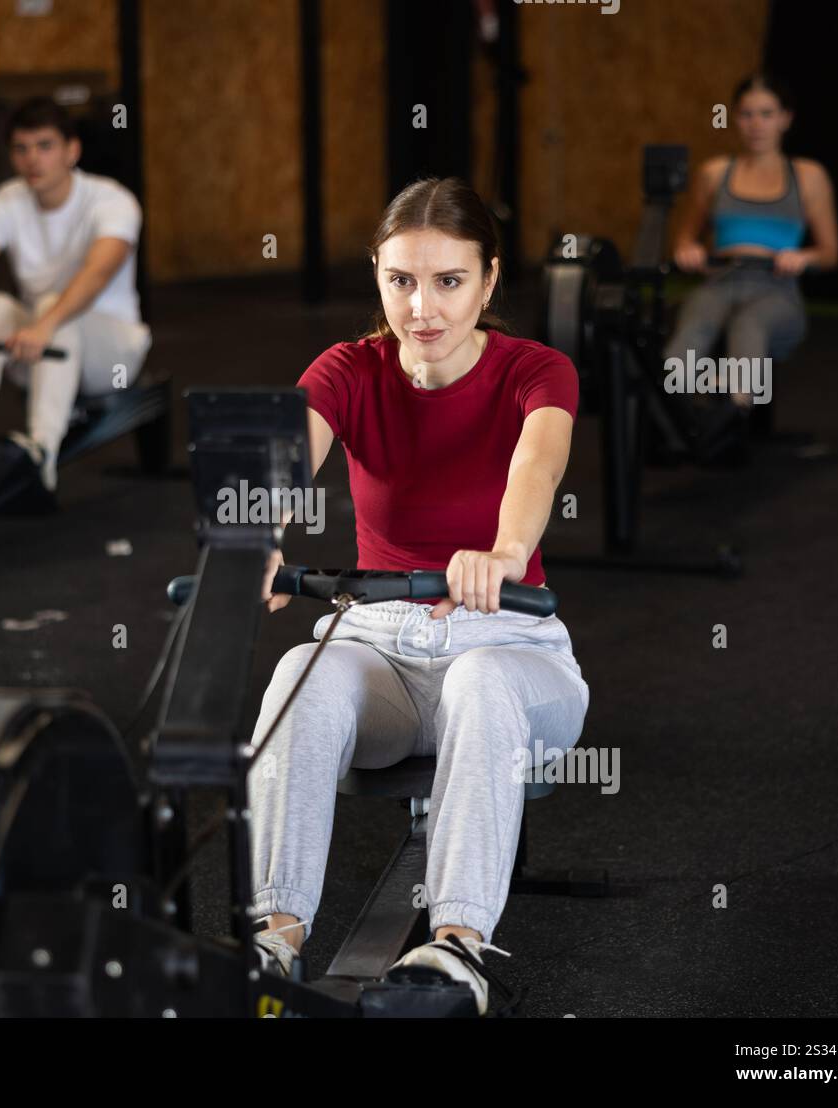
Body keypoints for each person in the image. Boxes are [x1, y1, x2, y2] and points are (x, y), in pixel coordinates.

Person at [245, 177, 591, 1016]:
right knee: (301, 668)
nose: (422, 308)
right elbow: (285, 462)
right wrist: (260, 534)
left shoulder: (536, 371)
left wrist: (506, 552)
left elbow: (536, 468)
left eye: (448, 282)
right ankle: (273, 937)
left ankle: (458, 949)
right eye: (401, 280)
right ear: (377, 275)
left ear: (490, 279)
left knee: (479, 683)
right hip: (385, 648)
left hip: (511, 644)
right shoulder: (349, 371)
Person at [0, 97, 152, 492]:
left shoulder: (113, 202)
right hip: (39, 349)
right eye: (21, 149)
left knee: (49, 305)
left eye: (45, 146)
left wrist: (45, 324)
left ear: (71, 151)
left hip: (112, 353)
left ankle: (40, 456)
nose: (32, 160)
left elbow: (97, 272)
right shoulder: (3, 204)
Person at [665, 73, 838, 460]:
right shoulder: (714, 172)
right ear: (734, 118)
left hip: (775, 289)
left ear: (785, 119)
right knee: (691, 333)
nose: (756, 124)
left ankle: (729, 422)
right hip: (719, 282)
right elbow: (684, 239)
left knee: (750, 326)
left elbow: (830, 253)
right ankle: (679, 422)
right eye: (746, 114)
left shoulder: (808, 176)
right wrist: (688, 250)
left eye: (766, 114)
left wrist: (804, 257)